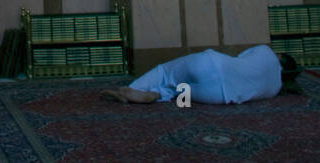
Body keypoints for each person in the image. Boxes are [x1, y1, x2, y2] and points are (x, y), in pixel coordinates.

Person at [100, 47, 301, 104]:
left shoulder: (266, 51)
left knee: (166, 71)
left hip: (211, 63)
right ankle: (156, 95)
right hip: (217, 95)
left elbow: (239, 58)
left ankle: (134, 88)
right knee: (176, 91)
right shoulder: (275, 89)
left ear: (280, 56)